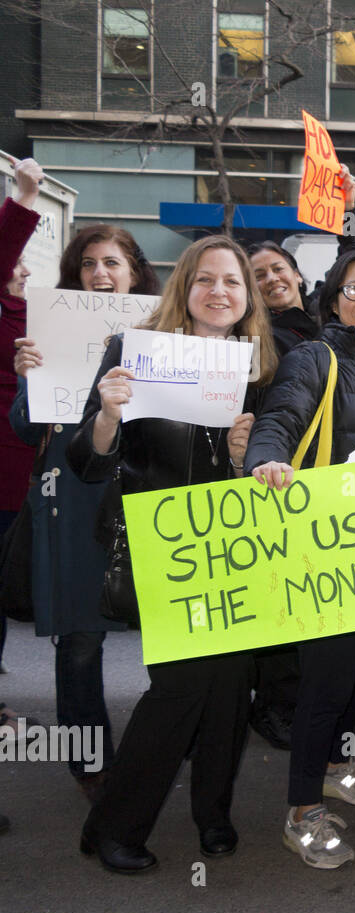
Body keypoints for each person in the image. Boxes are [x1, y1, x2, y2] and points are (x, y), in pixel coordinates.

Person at [68, 235, 276, 873]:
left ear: (248, 299)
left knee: (230, 687)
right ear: (183, 286)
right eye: (205, 279)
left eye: (233, 282)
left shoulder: (263, 367)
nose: (220, 291)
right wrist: (107, 412)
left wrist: (250, 459)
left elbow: (266, 467)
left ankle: (213, 816)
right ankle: (113, 826)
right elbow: (86, 460)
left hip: (236, 548)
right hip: (166, 548)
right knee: (181, 688)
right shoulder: (133, 351)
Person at [244, 248, 355, 869]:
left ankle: (337, 766)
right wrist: (265, 458)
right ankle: (301, 810)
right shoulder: (317, 355)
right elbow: (281, 415)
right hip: (325, 547)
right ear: (333, 298)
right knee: (327, 681)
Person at [11, 220, 160, 803]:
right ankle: (89, 758)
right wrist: (30, 375)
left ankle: (180, 739)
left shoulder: (161, 334)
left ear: (133, 275)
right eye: (89, 264)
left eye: (112, 263)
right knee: (81, 638)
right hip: (75, 498)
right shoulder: (48, 338)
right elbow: (25, 426)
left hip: (144, 493)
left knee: (171, 633)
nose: (100, 273)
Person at [0, 157, 44, 681]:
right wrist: (24, 197)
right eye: (17, 263)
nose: (26, 269)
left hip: (25, 468)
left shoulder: (36, 315)